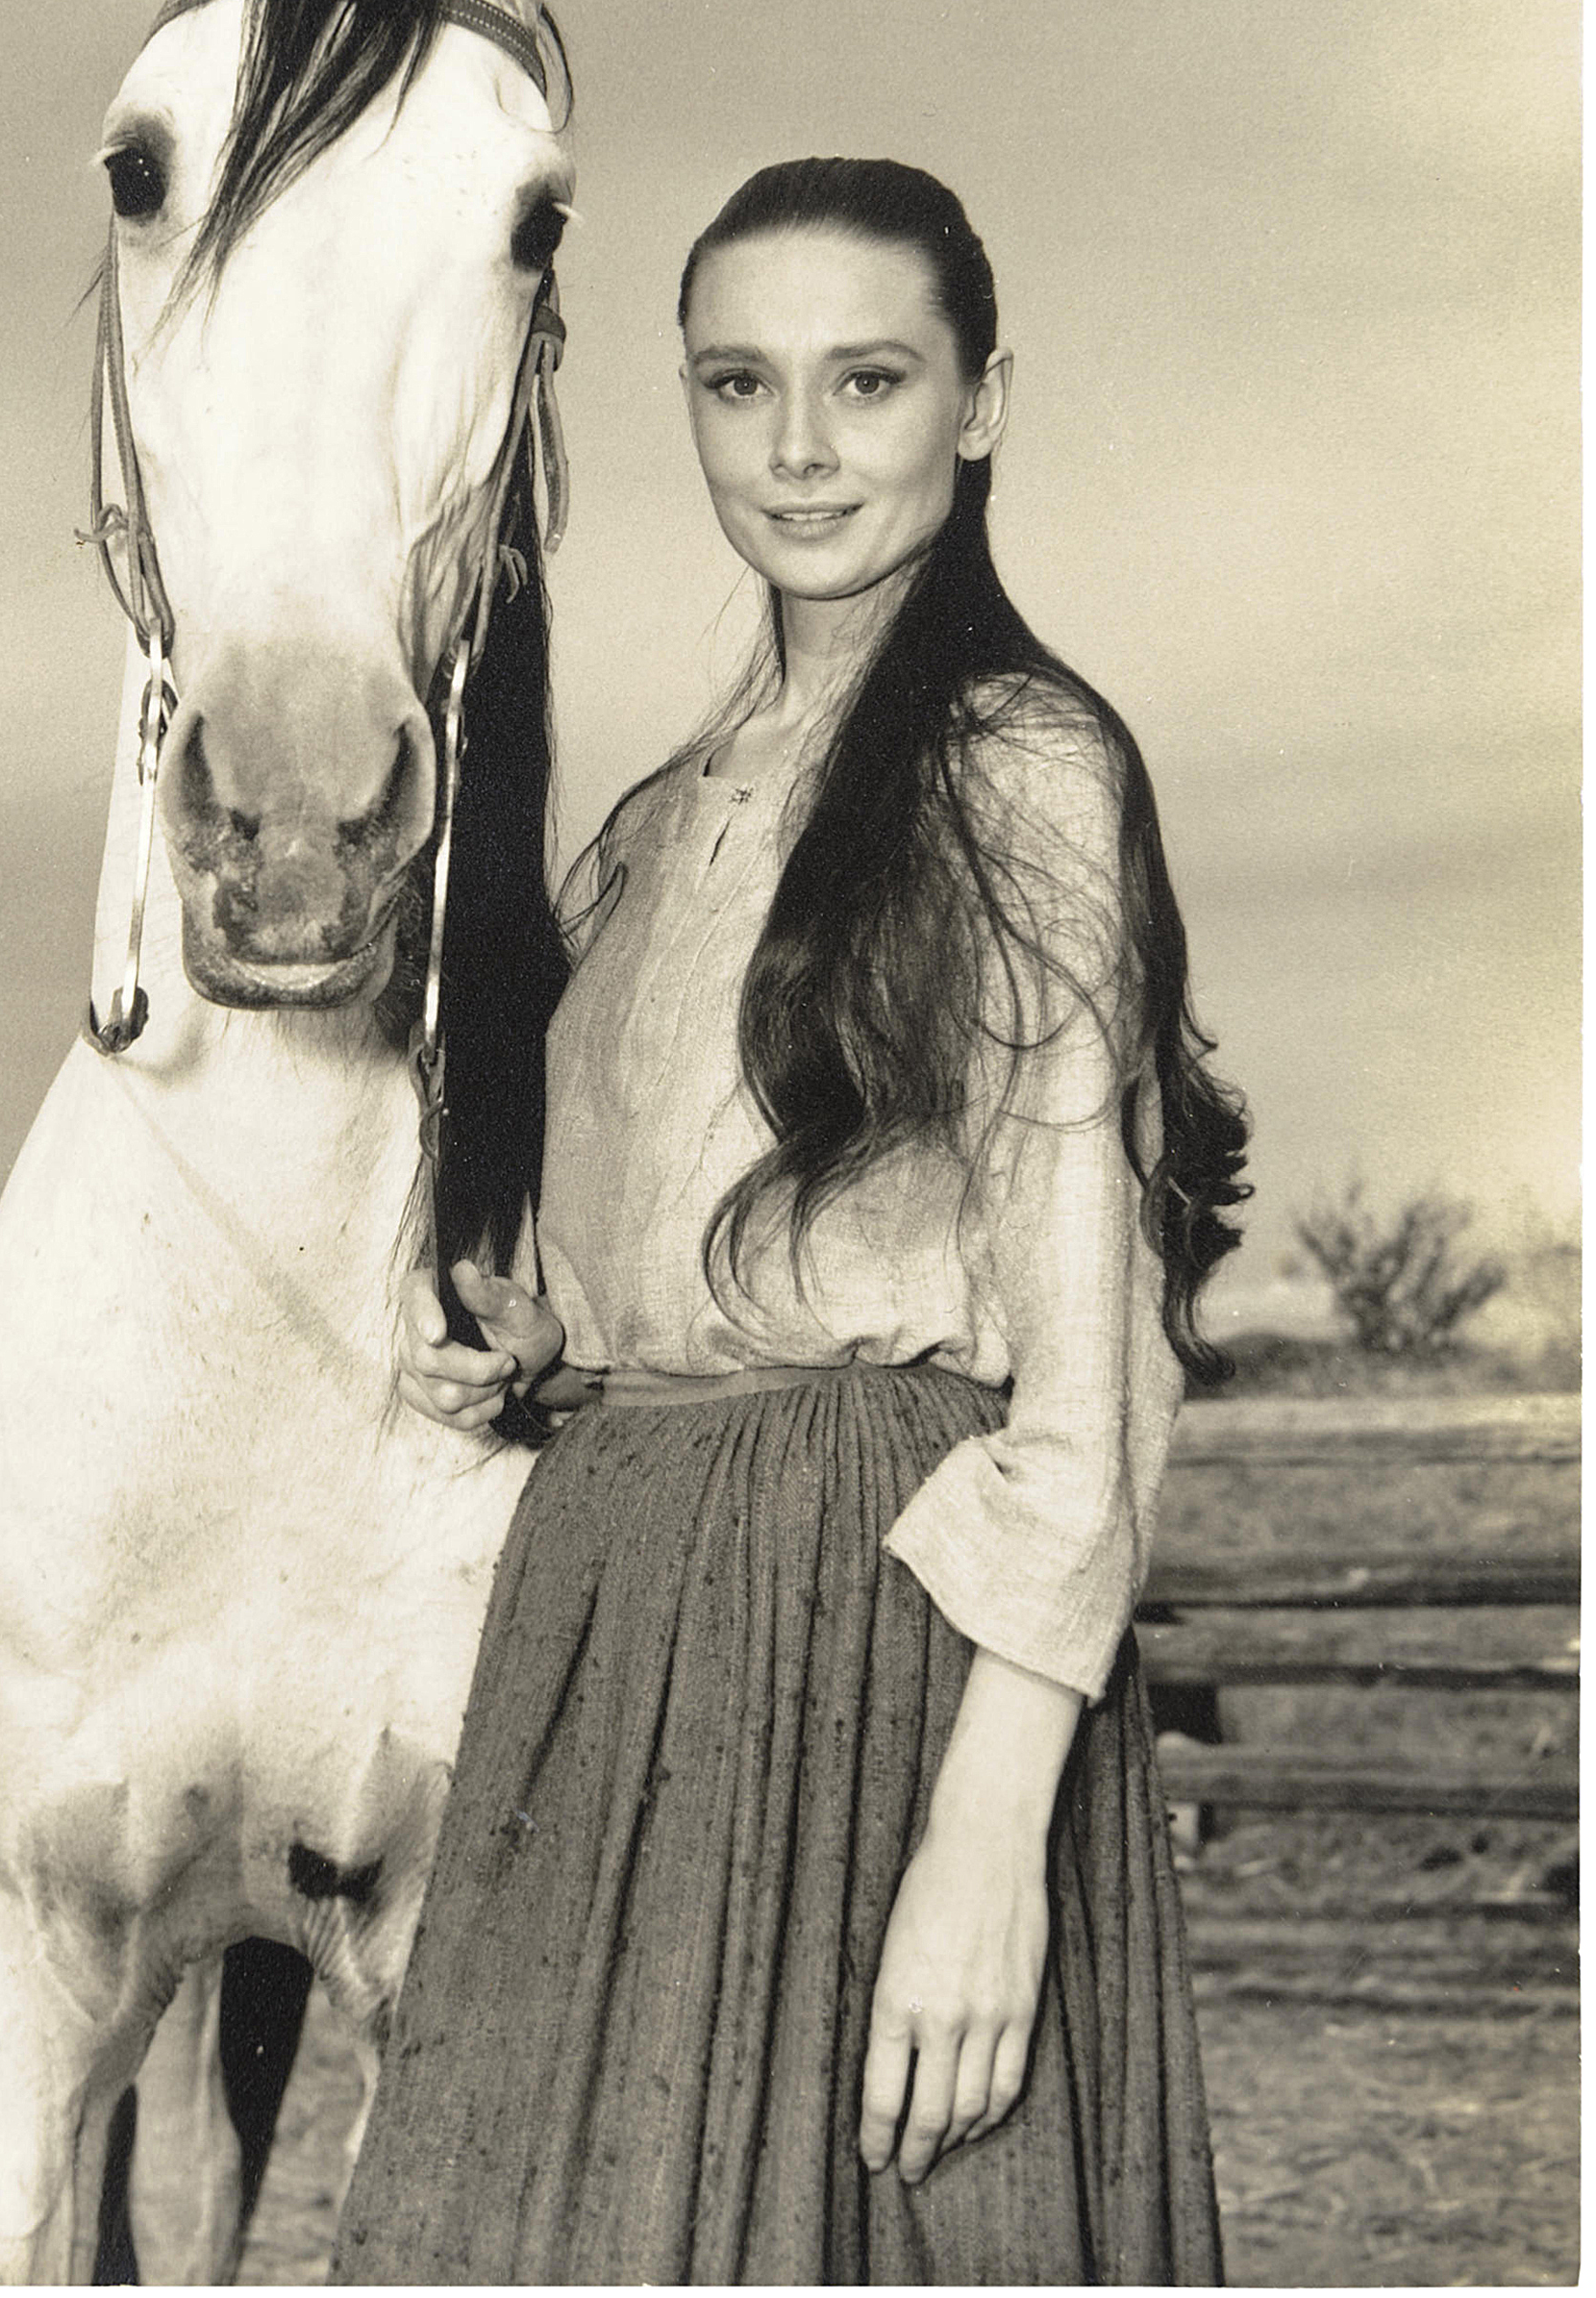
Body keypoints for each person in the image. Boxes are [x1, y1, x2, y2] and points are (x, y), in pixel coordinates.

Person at [331, 157, 1249, 2287]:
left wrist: (987, 1838)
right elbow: (685, 1242)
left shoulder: (1019, 766)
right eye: (741, 384)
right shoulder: (662, 815)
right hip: (619, 1622)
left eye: (870, 379)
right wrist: (533, 1333)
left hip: (881, 1646)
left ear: (982, 400)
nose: (802, 445)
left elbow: (1090, 1352)